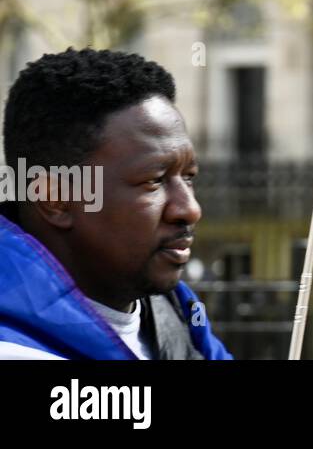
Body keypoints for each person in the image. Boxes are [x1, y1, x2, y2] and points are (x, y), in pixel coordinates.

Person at [0, 48, 231, 359]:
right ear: (55, 199)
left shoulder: (178, 317)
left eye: (188, 177)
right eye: (154, 180)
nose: (189, 209)